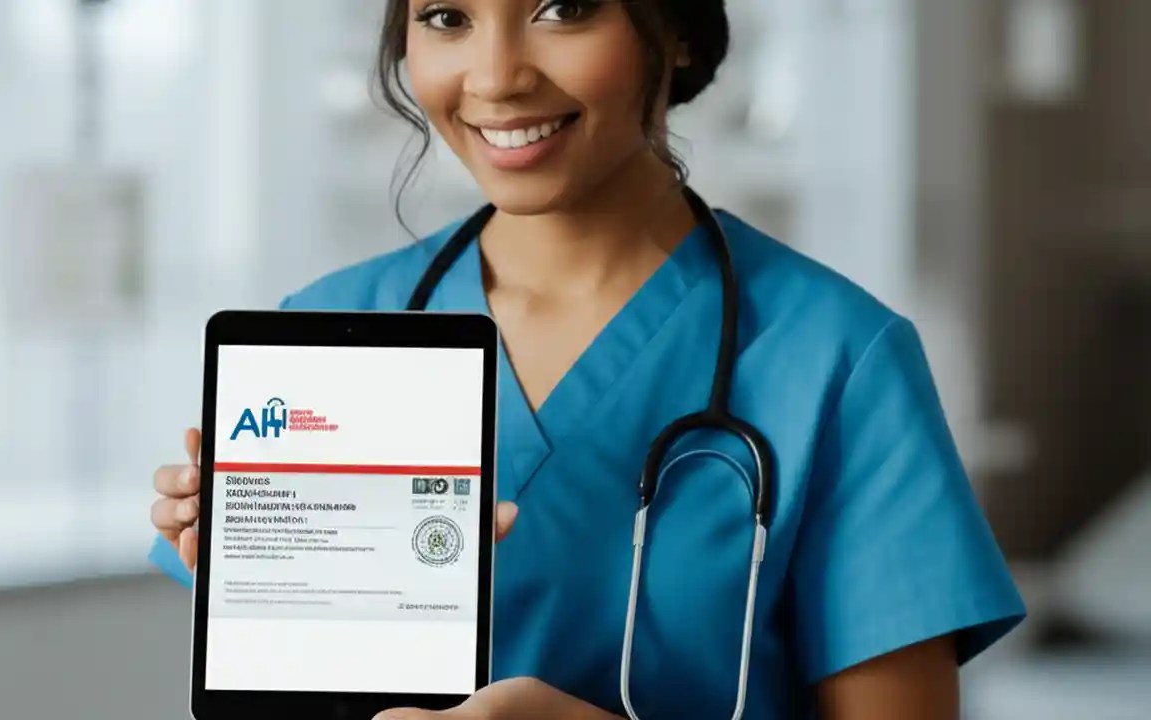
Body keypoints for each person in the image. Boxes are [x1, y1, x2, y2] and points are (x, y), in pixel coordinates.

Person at [148, 1, 1026, 717]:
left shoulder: (836, 358)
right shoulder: (328, 328)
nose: (496, 77)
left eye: (562, 9)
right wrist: (264, 583)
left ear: (674, 29)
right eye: (447, 17)